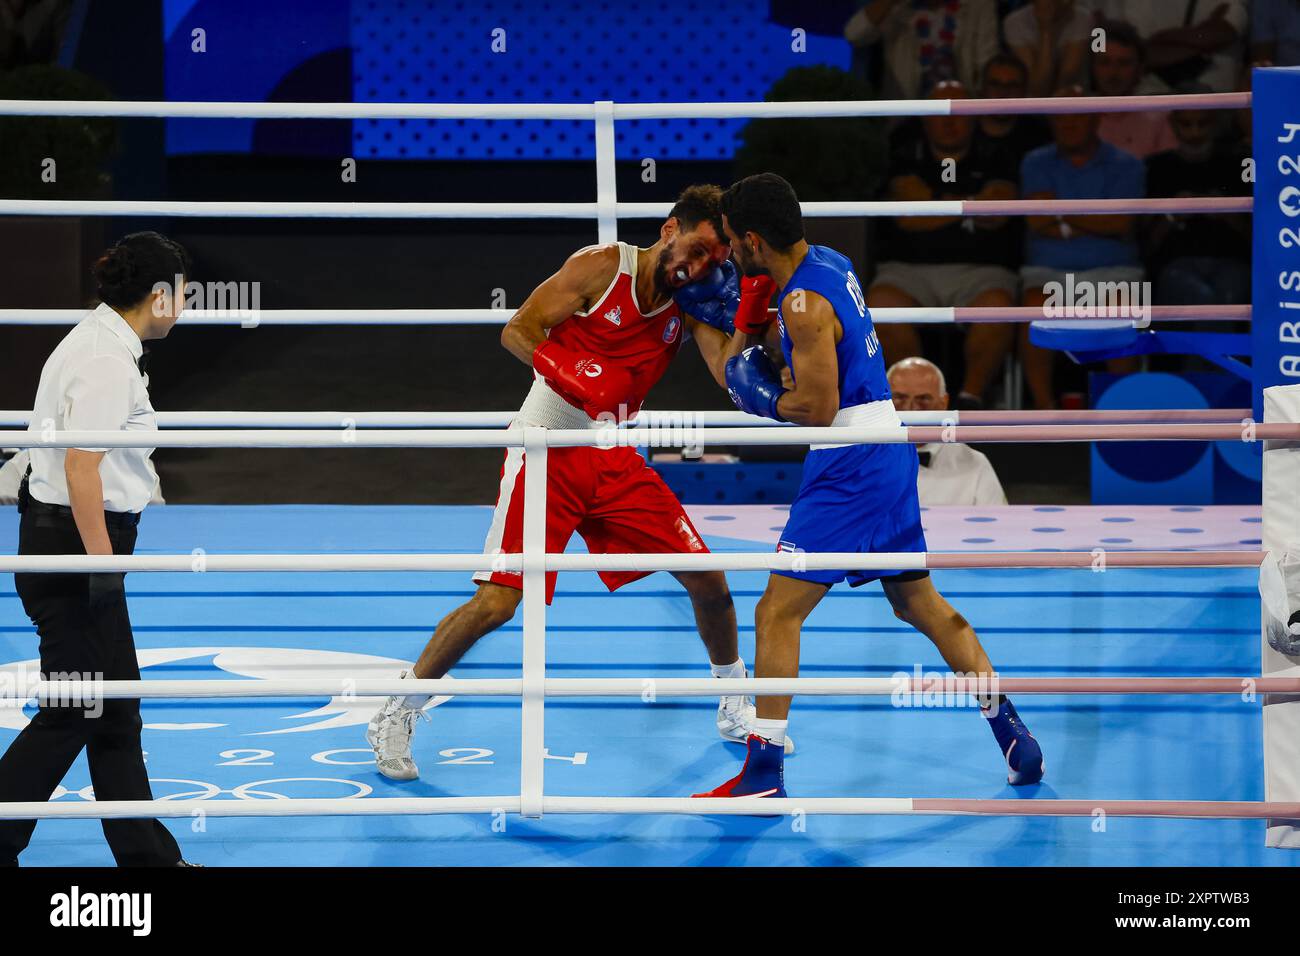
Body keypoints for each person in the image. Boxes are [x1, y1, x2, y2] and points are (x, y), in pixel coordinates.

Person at [366, 185, 790, 782]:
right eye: (696, 248)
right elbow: (520, 328)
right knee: (498, 603)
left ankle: (733, 699)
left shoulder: (692, 300)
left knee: (710, 581)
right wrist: (574, 374)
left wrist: (751, 321)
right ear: (670, 228)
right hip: (546, 445)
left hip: (613, 455)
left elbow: (730, 376)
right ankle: (397, 707)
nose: (699, 266)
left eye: (716, 259)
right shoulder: (602, 266)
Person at [690, 173, 1042, 799]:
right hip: (885, 448)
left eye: (732, 245)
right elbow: (822, 353)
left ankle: (765, 772)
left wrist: (760, 394)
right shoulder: (831, 263)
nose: (730, 258)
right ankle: (1012, 731)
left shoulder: (801, 303)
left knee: (777, 612)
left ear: (750, 240)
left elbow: (816, 406)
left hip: (849, 459)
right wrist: (755, 328)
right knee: (918, 604)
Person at [0, 232, 196, 867]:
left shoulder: (97, 340)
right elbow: (83, 467)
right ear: (161, 296)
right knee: (77, 705)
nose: (188, 303)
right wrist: (102, 566)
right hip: (77, 548)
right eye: (184, 293)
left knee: (112, 706)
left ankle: (149, 863)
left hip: (63, 539)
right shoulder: (107, 359)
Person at [867, 81, 1020, 410]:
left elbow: (998, 213)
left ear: (975, 118)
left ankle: (969, 400)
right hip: (907, 271)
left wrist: (935, 204)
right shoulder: (903, 154)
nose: (949, 121)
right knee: (879, 306)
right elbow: (908, 216)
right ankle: (914, 401)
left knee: (999, 309)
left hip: (982, 272)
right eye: (940, 113)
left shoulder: (998, 155)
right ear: (925, 118)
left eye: (959, 113)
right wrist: (969, 207)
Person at [1019, 85, 1146, 408]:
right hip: (1047, 274)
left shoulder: (1127, 165)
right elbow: (1037, 222)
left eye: (1076, 114)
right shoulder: (1034, 162)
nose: (1068, 123)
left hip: (1115, 273)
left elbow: (1120, 224)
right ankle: (1045, 413)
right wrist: (1095, 214)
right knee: (1032, 308)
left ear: (1095, 118)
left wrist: (1060, 213)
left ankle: (1123, 414)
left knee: (1123, 309)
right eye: (1060, 116)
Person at [888, 357, 1007, 506]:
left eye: (923, 399)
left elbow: (998, 525)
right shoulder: (859, 458)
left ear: (943, 403)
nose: (910, 408)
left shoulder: (974, 463)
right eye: (899, 398)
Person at [843, 0, 1000, 102]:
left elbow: (987, 64)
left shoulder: (979, 5)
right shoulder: (896, 8)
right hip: (904, 119)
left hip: (963, 113)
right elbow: (854, 35)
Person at [1090, 19, 1178, 159]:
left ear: (1140, 69)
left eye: (1124, 63)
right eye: (1105, 62)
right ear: (1092, 67)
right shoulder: (1077, 117)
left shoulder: (1159, 119)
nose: (1113, 72)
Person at [1003, 0, 1091, 96]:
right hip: (1031, 102)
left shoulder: (1083, 18)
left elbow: (1065, 82)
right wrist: (1045, 30)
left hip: (1074, 99)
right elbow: (1038, 88)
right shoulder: (1015, 23)